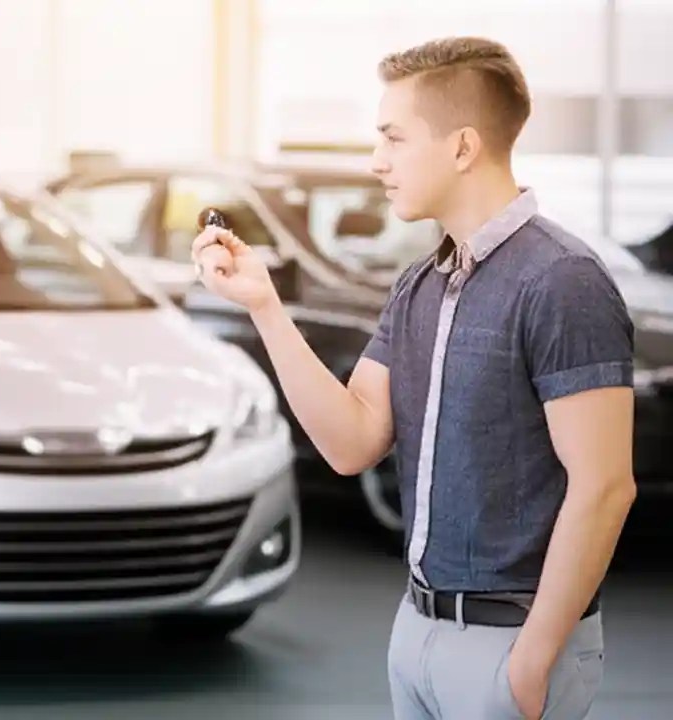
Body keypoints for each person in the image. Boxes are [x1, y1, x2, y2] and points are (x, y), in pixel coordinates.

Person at [193, 37, 635, 719]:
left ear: (462, 147)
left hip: (510, 644)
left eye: (394, 139)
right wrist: (264, 306)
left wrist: (533, 659)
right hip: (418, 629)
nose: (377, 161)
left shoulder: (562, 282)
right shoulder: (419, 285)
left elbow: (604, 486)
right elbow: (350, 442)